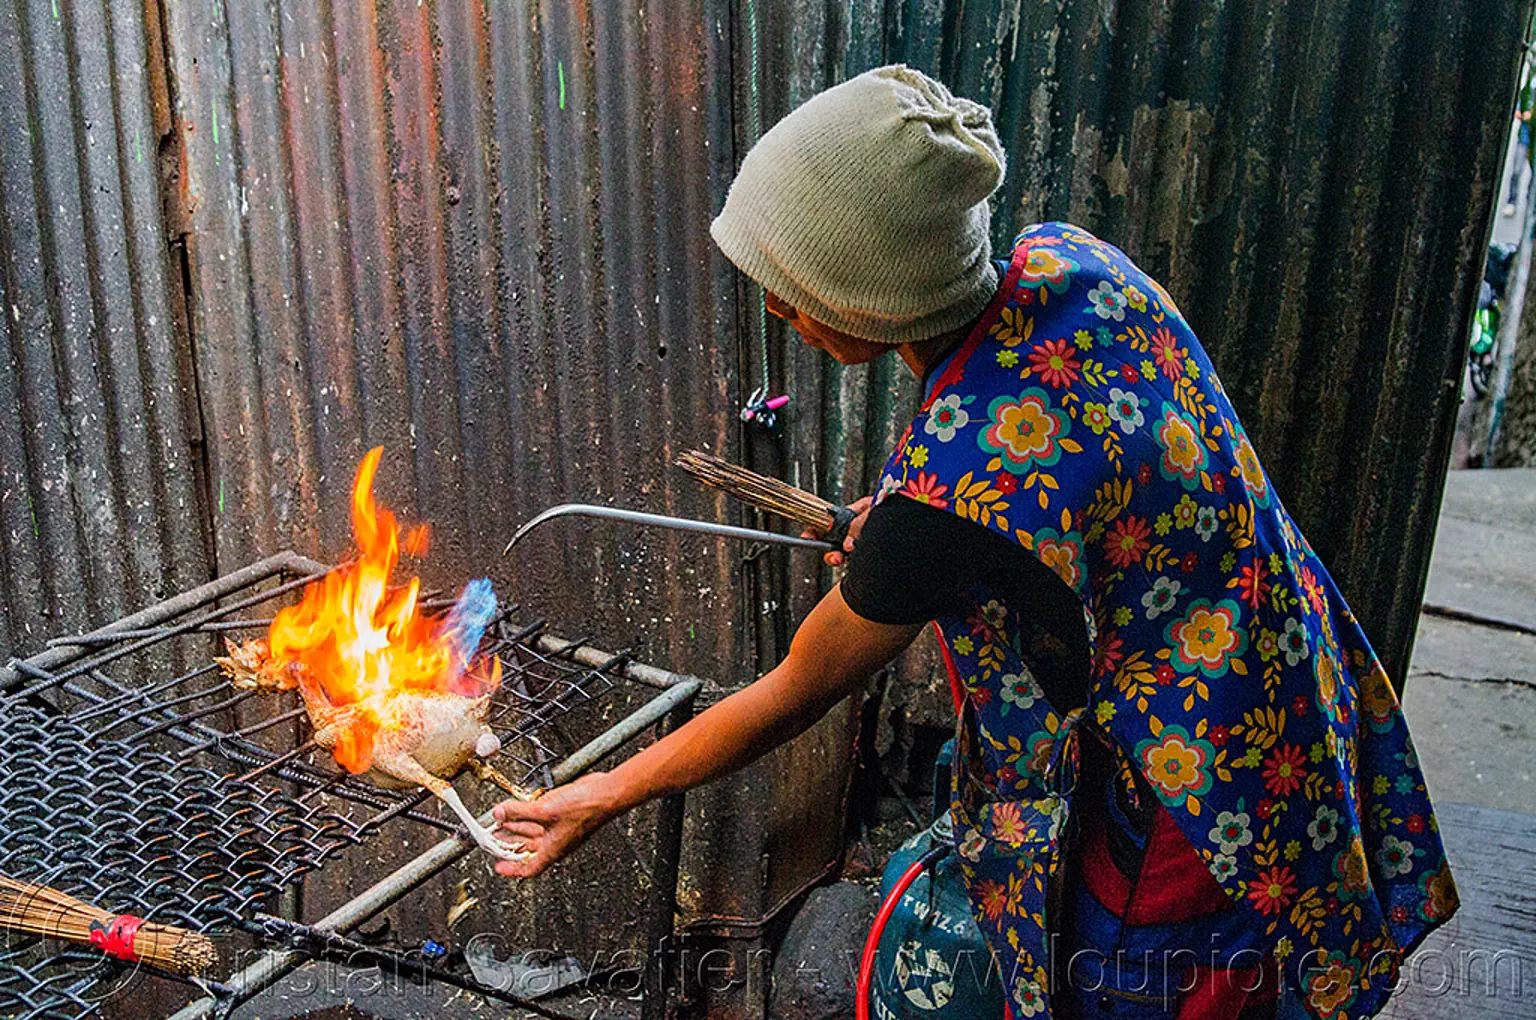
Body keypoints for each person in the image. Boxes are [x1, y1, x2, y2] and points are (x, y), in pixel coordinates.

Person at [493, 66, 1457, 1019]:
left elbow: (791, 692)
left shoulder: (944, 504)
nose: (780, 313)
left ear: (871, 298)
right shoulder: (1071, 264)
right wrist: (926, 525)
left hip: (1188, 785)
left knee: (1169, 991)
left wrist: (598, 795)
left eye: (794, 293)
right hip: (1286, 671)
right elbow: (1079, 467)